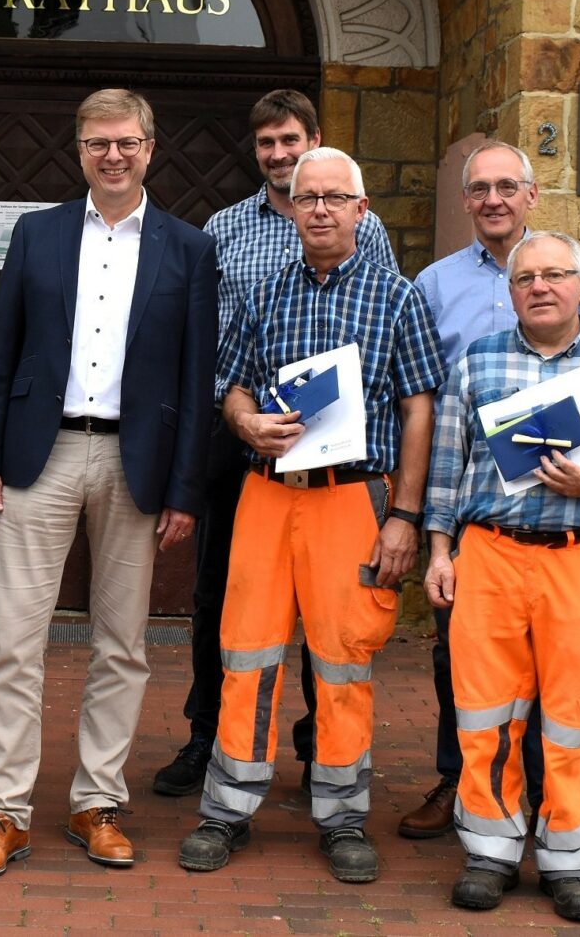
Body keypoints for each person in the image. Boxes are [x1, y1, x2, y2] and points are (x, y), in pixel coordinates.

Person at [0, 89, 217, 881]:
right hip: (44, 453)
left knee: (123, 644)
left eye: (127, 142)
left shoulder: (187, 247)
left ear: (150, 147)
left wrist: (184, 488)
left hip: (136, 462)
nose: (113, 154)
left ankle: (95, 801)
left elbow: (196, 373)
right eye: (99, 142)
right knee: (12, 638)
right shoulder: (38, 235)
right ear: (79, 151)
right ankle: (4, 811)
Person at [178, 147, 443, 884]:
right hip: (268, 491)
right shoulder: (265, 293)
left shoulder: (398, 296)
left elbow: (419, 406)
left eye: (335, 197)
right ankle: (227, 809)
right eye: (307, 197)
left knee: (342, 658)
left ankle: (342, 815)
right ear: (290, 209)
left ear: (362, 210)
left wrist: (406, 515)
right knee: (246, 651)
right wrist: (244, 423)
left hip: (351, 497)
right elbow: (229, 386)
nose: (320, 208)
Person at [423, 231, 580, 922]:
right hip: (490, 553)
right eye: (525, 277)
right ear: (510, 293)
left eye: (555, 274)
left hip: (579, 553)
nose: (540, 286)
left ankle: (568, 858)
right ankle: (490, 850)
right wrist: (440, 551)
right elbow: (447, 466)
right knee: (486, 713)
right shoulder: (479, 362)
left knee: (573, 712)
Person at [155, 89, 399, 797]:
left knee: (329, 599)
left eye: (290, 140)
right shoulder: (225, 227)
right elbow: (203, 330)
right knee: (221, 590)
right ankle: (209, 733)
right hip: (238, 431)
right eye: (267, 143)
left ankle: (321, 736)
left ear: (314, 139)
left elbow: (372, 304)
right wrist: (234, 415)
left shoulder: (361, 221)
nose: (279, 154)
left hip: (334, 437)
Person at [401, 140, 580, 839]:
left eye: (506, 186)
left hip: (560, 501)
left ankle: (550, 799)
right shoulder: (432, 284)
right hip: (473, 506)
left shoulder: (569, 269)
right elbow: (424, 399)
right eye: (481, 188)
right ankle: (459, 783)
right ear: (466, 201)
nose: (493, 199)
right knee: (459, 658)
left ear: (531, 193)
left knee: (559, 663)